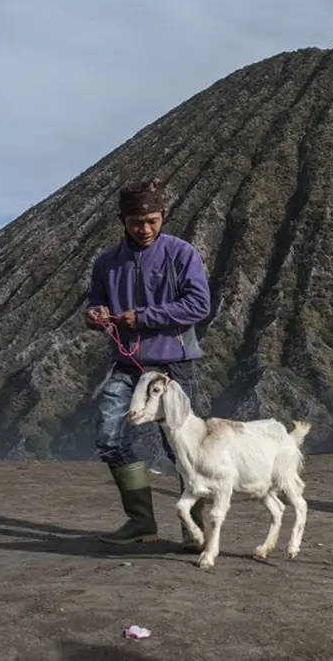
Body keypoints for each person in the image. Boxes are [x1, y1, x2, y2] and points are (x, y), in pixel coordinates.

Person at [84, 177, 212, 549]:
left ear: (164, 216)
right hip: (127, 365)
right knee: (109, 436)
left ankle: (195, 529)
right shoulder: (106, 263)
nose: (145, 229)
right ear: (122, 220)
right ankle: (140, 520)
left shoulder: (182, 254)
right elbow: (94, 303)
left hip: (174, 365)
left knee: (183, 447)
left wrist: (141, 317)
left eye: (153, 221)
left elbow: (199, 305)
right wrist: (95, 315)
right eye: (137, 222)